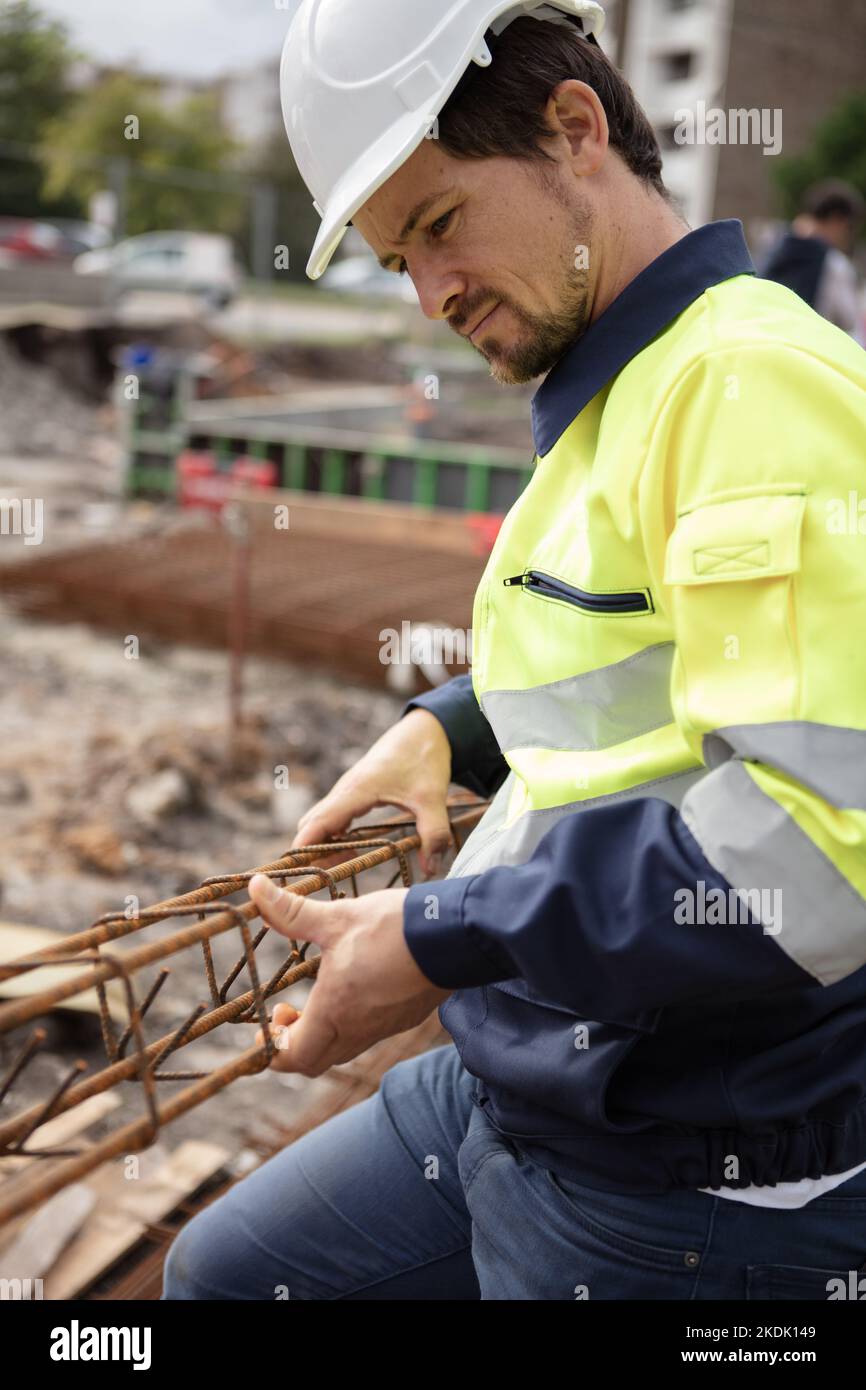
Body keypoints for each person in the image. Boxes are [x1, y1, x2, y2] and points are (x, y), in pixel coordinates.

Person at [163, 0, 866, 1300]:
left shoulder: (747, 387)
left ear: (574, 128)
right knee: (218, 1274)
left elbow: (818, 851)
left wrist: (437, 934)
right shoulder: (619, 387)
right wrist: (443, 726)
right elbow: (629, 661)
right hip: (525, 1081)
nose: (432, 294)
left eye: (438, 224)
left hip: (689, 1174)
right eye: (395, 262)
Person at [761, 179, 864, 341]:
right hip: (809, 350)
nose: (848, 236)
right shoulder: (834, 263)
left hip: (769, 343)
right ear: (836, 220)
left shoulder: (775, 246)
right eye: (848, 227)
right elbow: (848, 321)